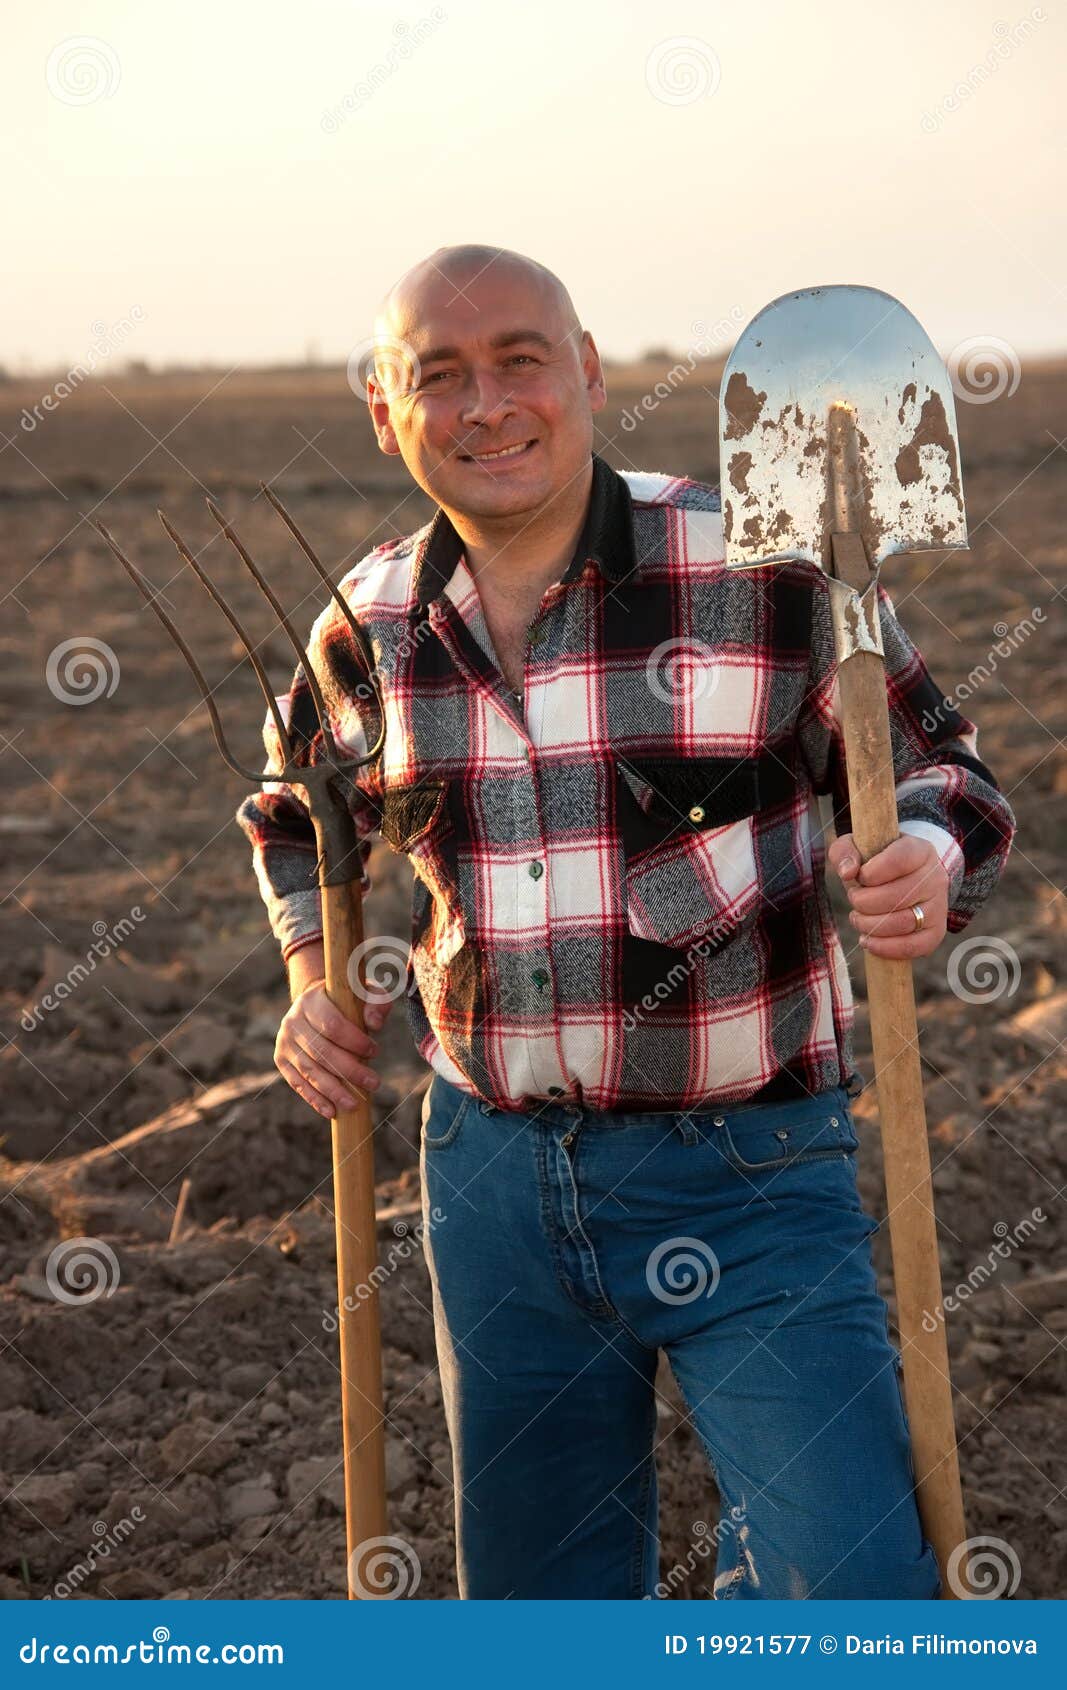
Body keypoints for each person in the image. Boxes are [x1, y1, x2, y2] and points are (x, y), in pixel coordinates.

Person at [236, 245, 1017, 1600]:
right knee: (548, 1615)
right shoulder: (367, 625)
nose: (487, 405)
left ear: (587, 371)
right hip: (494, 1183)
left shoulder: (764, 571)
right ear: (386, 412)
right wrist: (316, 977)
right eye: (440, 376)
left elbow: (943, 763)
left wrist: (933, 852)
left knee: (855, 1596)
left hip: (757, 1174)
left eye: (521, 360)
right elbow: (301, 818)